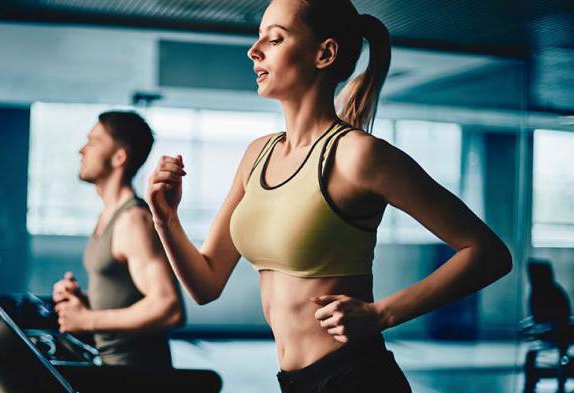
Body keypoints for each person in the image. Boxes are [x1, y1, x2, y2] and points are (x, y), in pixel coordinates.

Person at [145, 0, 513, 391]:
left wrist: (382, 314)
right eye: (258, 39)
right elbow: (206, 284)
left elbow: (488, 253)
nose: (254, 51)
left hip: (356, 378)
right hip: (294, 381)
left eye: (275, 39)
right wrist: (165, 219)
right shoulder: (257, 153)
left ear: (325, 53)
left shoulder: (359, 155)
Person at [53, 111, 184, 368]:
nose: (82, 150)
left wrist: (87, 319)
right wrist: (83, 301)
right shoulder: (110, 214)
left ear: (119, 157)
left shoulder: (133, 220)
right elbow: (125, 294)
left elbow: (168, 306)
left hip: (136, 378)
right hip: (112, 368)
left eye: (94, 142)